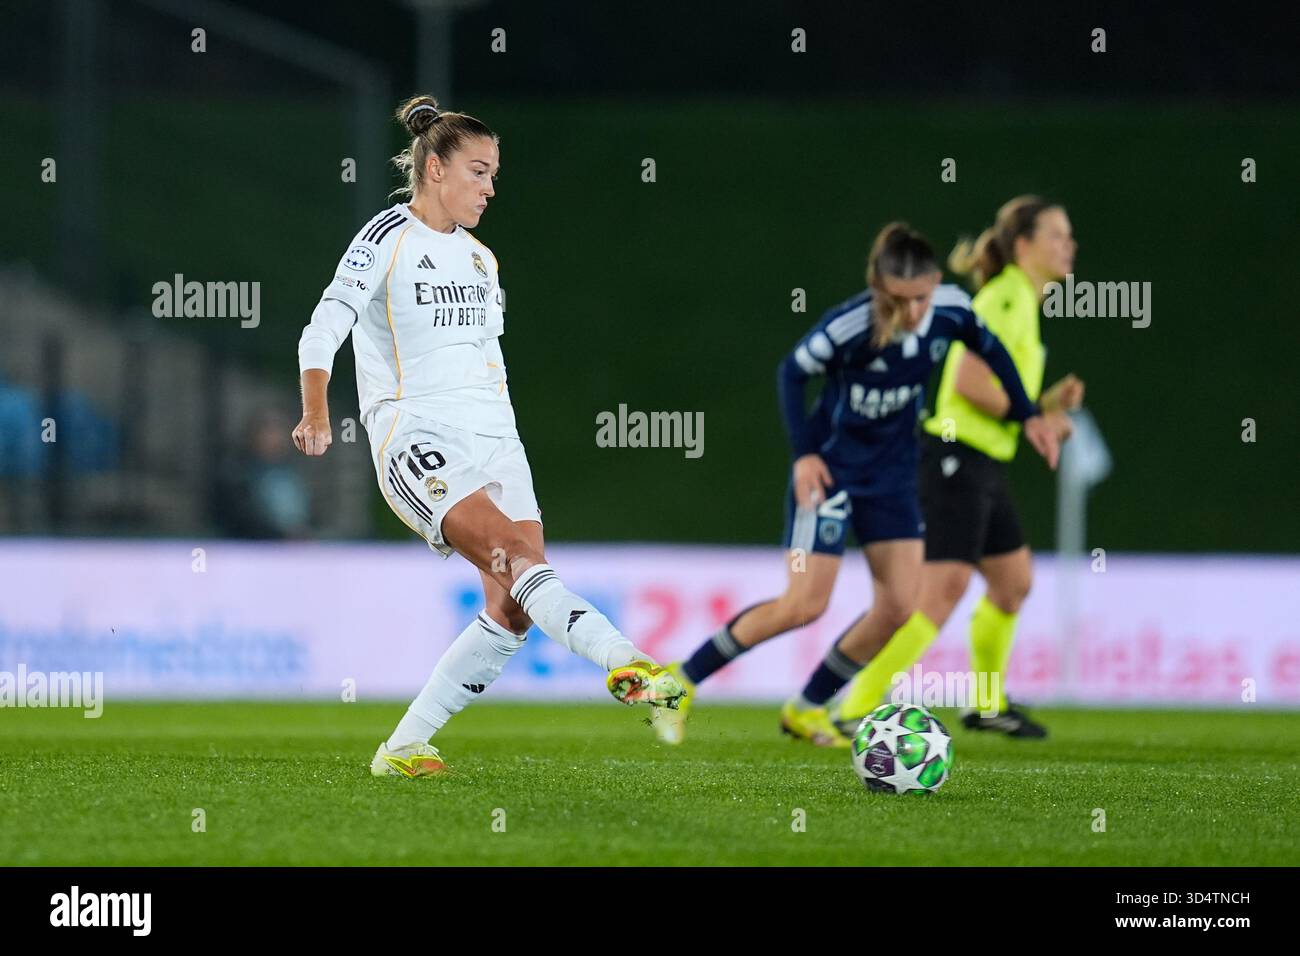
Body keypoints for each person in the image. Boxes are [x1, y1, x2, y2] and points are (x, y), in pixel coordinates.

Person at [293, 95, 684, 778]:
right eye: (478, 172)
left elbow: (488, 360)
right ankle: (629, 664)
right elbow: (324, 326)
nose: (490, 188)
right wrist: (317, 411)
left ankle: (403, 748)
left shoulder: (480, 259)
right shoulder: (385, 238)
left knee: (512, 606)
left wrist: (507, 447)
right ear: (435, 169)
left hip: (495, 437)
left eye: (494, 175)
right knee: (513, 557)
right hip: (416, 431)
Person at [659, 222, 1060, 746]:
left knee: (898, 607)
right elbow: (791, 372)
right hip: (832, 477)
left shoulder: (952, 310)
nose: (911, 312)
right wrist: (804, 455)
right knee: (803, 605)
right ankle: (678, 682)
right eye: (898, 299)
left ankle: (807, 708)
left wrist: (1029, 414)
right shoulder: (848, 327)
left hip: (892, 480)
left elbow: (992, 349)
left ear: (935, 284)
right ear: (877, 286)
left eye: (920, 298)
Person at [833, 197, 1082, 738]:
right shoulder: (1007, 297)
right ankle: (857, 704)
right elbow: (968, 384)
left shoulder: (1020, 299)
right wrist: (1034, 415)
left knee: (1012, 582)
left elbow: (998, 392)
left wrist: (1042, 405)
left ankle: (986, 704)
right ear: (1023, 245)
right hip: (955, 456)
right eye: (1057, 235)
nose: (1070, 245)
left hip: (982, 460)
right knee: (942, 589)